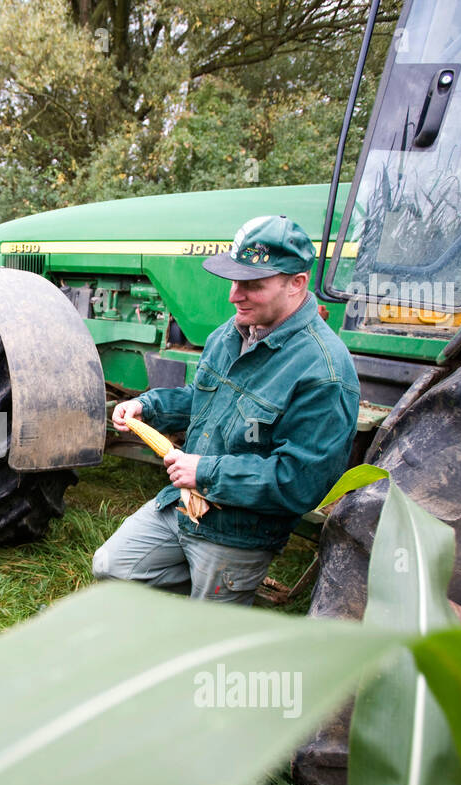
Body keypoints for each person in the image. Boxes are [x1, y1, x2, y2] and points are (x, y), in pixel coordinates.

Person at [91, 214, 360, 605]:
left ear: (296, 283)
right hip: (183, 504)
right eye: (234, 280)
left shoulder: (325, 372)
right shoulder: (232, 333)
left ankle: (223, 604)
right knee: (111, 566)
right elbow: (202, 399)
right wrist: (146, 406)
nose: (235, 295)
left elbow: (300, 481)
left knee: (206, 638)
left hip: (241, 530)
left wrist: (205, 471)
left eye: (253, 285)